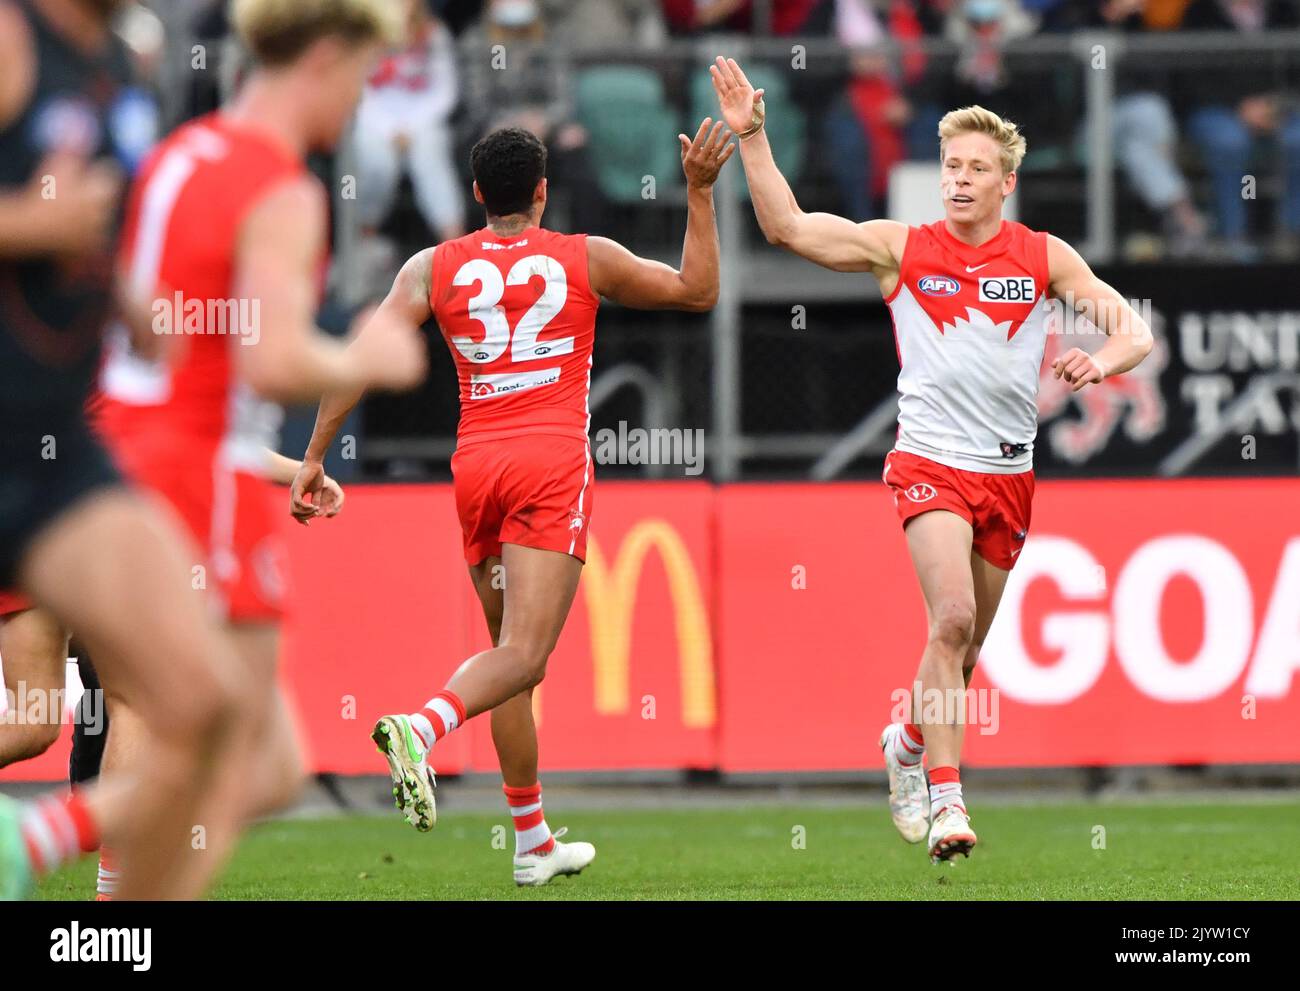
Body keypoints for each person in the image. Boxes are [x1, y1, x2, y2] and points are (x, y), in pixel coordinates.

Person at [710, 56, 1153, 863]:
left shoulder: (1042, 257)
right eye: (951, 165)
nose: (959, 179)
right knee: (947, 620)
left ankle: (906, 740)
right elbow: (790, 228)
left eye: (977, 169)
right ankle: (947, 801)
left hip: (1009, 473)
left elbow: (1134, 329)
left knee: (965, 650)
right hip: (929, 463)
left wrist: (1104, 361)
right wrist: (753, 138)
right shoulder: (901, 248)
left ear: (1005, 183)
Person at [291, 121, 734, 886]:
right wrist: (697, 191)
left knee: (505, 661)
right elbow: (698, 289)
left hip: (476, 467)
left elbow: (358, 360)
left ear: (473, 195)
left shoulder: (433, 266)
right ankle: (419, 727)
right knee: (525, 657)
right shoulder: (585, 256)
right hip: (548, 463)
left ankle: (530, 841)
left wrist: (314, 456)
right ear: (541, 191)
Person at [87, 0, 427, 899]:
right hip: (200, 479)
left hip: (127, 458)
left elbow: (150, 328)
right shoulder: (281, 186)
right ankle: (46, 841)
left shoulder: (178, 152)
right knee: (221, 749)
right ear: (323, 57)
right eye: (360, 76)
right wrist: (369, 356)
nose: (358, 103)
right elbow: (272, 359)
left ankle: (111, 909)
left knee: (261, 760)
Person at [0, 0, 247, 901]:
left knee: (199, 700)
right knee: (44, 718)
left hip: (68, 447)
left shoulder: (114, 61)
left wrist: (128, 300)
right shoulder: (12, 41)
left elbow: (96, 231)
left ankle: (109, 918)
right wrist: (34, 222)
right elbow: (52, 221)